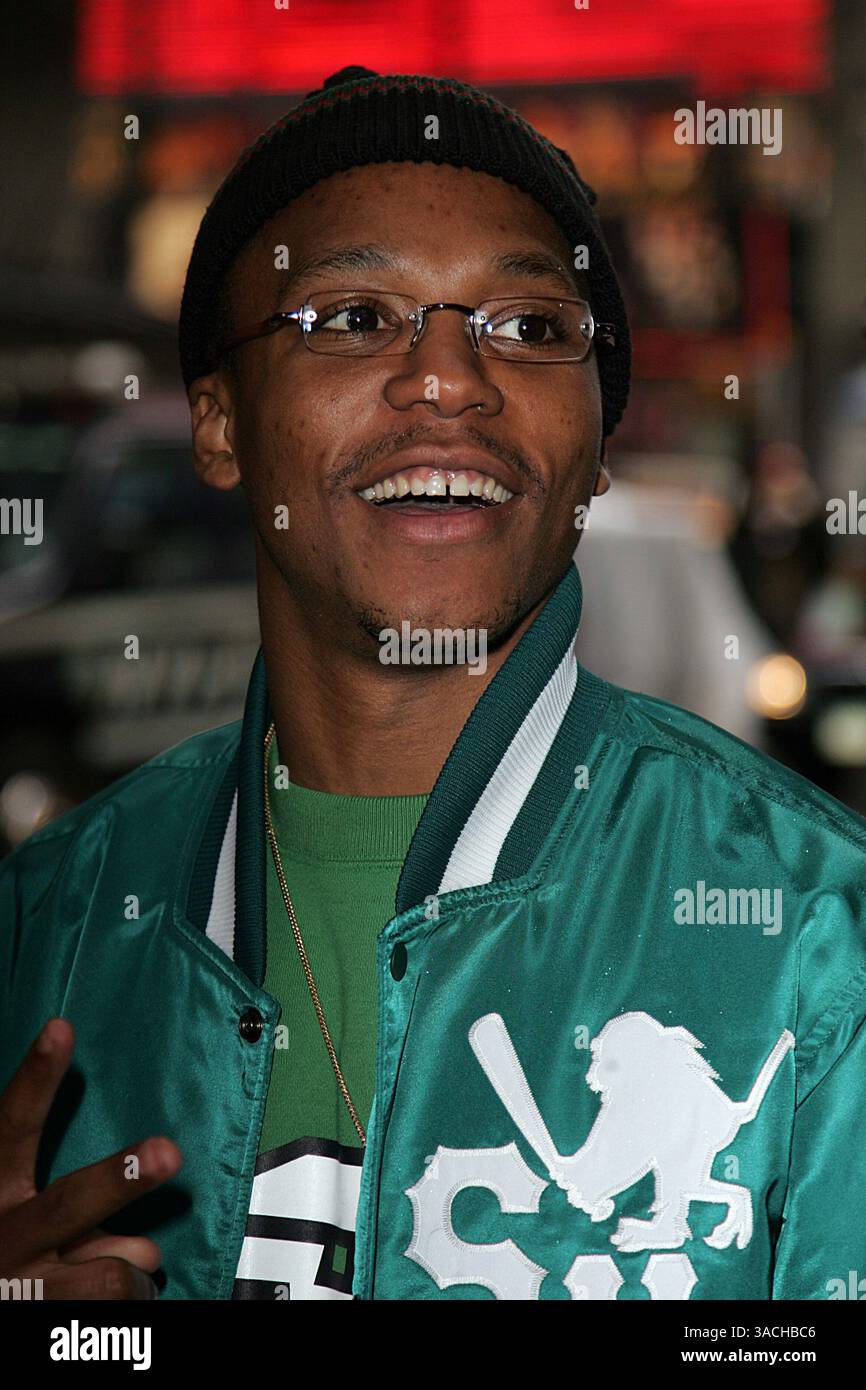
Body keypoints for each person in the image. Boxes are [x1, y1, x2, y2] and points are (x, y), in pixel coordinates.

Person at [1, 66, 864, 1303]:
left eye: (527, 327)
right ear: (219, 424)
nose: (449, 379)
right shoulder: (49, 925)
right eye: (353, 317)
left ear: (593, 445)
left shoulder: (818, 944)